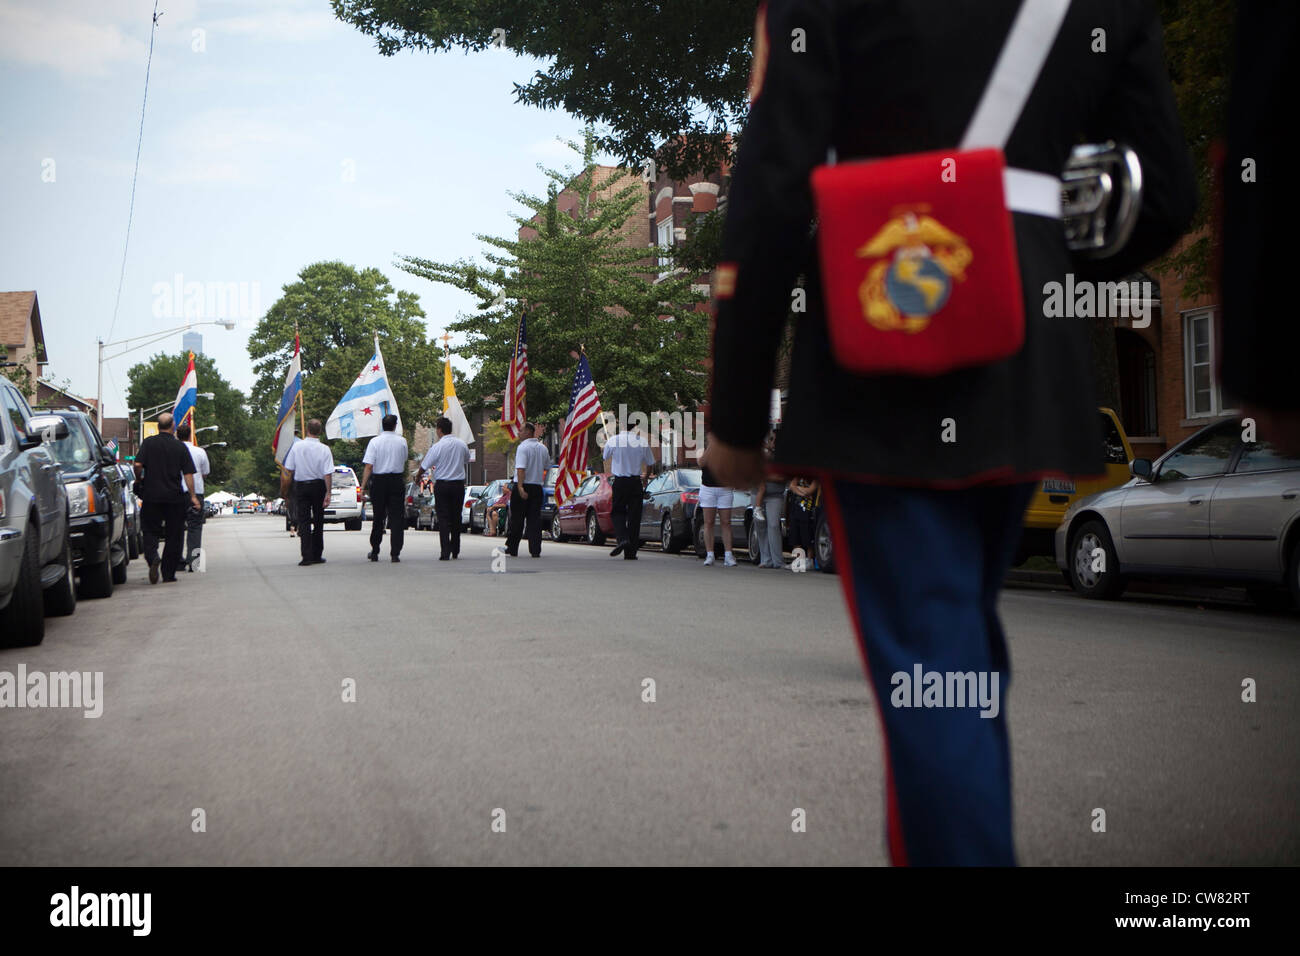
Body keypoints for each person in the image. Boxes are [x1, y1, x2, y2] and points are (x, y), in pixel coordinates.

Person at [702, 0, 1196, 864]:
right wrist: (1035, 246)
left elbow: (774, 189)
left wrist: (738, 413)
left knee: (933, 665)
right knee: (958, 650)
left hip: (882, 335)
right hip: (1025, 351)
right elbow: (1167, 197)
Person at [133, 412, 198, 584]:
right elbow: (188, 474)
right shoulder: (180, 447)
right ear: (173, 426)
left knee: (150, 530)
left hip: (151, 495)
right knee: (174, 535)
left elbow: (138, 464)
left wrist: (139, 479)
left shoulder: (148, 443)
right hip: (174, 497)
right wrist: (193, 496)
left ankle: (152, 556)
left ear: (157, 426)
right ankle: (168, 573)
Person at [415, 416, 471, 560]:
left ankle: (445, 551)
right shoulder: (461, 444)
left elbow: (425, 465)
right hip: (458, 485)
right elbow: (466, 460)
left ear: (439, 430)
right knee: (456, 517)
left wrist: (417, 477)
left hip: (442, 485)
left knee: (444, 518)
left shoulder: (437, 446)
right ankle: (456, 549)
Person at [280, 418, 334, 566]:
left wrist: (286, 489)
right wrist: (328, 493)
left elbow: (289, 469)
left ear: (307, 430)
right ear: (320, 431)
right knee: (318, 521)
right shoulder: (325, 449)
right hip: (319, 485)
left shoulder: (296, 447)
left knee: (303, 521)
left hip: (301, 486)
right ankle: (317, 553)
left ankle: (306, 555)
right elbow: (328, 473)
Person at [361, 414, 409, 563]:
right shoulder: (402, 441)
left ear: (382, 425)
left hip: (379, 481)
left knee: (378, 516)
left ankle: (375, 550)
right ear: (395, 425)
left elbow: (369, 465)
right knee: (396, 518)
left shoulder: (374, 442)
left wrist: (363, 486)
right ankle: (395, 552)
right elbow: (405, 458)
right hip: (396, 480)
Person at [603, 424, 655, 559]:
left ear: (621, 425)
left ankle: (622, 538)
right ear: (634, 426)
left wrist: (607, 441)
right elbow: (650, 463)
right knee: (634, 516)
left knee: (617, 512)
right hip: (635, 482)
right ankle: (631, 552)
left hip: (620, 481)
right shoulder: (642, 441)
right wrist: (646, 478)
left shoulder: (613, 440)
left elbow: (605, 456)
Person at [504, 422, 549, 558]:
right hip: (537, 486)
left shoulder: (522, 448)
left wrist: (520, 487)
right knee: (534, 519)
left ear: (528, 432)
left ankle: (512, 548)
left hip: (523, 485)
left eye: (521, 430)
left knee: (517, 518)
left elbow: (521, 469)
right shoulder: (543, 448)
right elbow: (547, 466)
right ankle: (535, 549)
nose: (518, 432)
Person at [174, 423, 210, 572]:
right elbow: (205, 472)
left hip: (176, 493)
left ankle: (177, 561)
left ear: (177, 435)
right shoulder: (200, 452)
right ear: (190, 435)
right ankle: (194, 562)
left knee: (176, 528)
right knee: (195, 528)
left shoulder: (173, 451)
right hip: (196, 492)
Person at [753, 434, 786, 569]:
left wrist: (765, 476)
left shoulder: (783, 458)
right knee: (760, 525)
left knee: (773, 525)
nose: (773, 443)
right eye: (771, 440)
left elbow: (782, 477)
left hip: (775, 495)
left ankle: (777, 560)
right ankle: (766, 559)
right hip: (756, 493)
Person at [697, 461, 737, 567]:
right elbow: (701, 462)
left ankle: (728, 555)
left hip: (725, 488)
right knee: (709, 522)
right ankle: (710, 554)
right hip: (708, 488)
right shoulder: (704, 452)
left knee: (726, 522)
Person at [787, 476, 819, 567]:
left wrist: (797, 489)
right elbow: (792, 486)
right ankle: (798, 560)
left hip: (808, 510)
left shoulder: (815, 477)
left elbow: (810, 490)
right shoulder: (798, 475)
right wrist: (802, 493)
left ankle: (809, 559)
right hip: (796, 508)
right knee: (795, 534)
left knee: (807, 534)